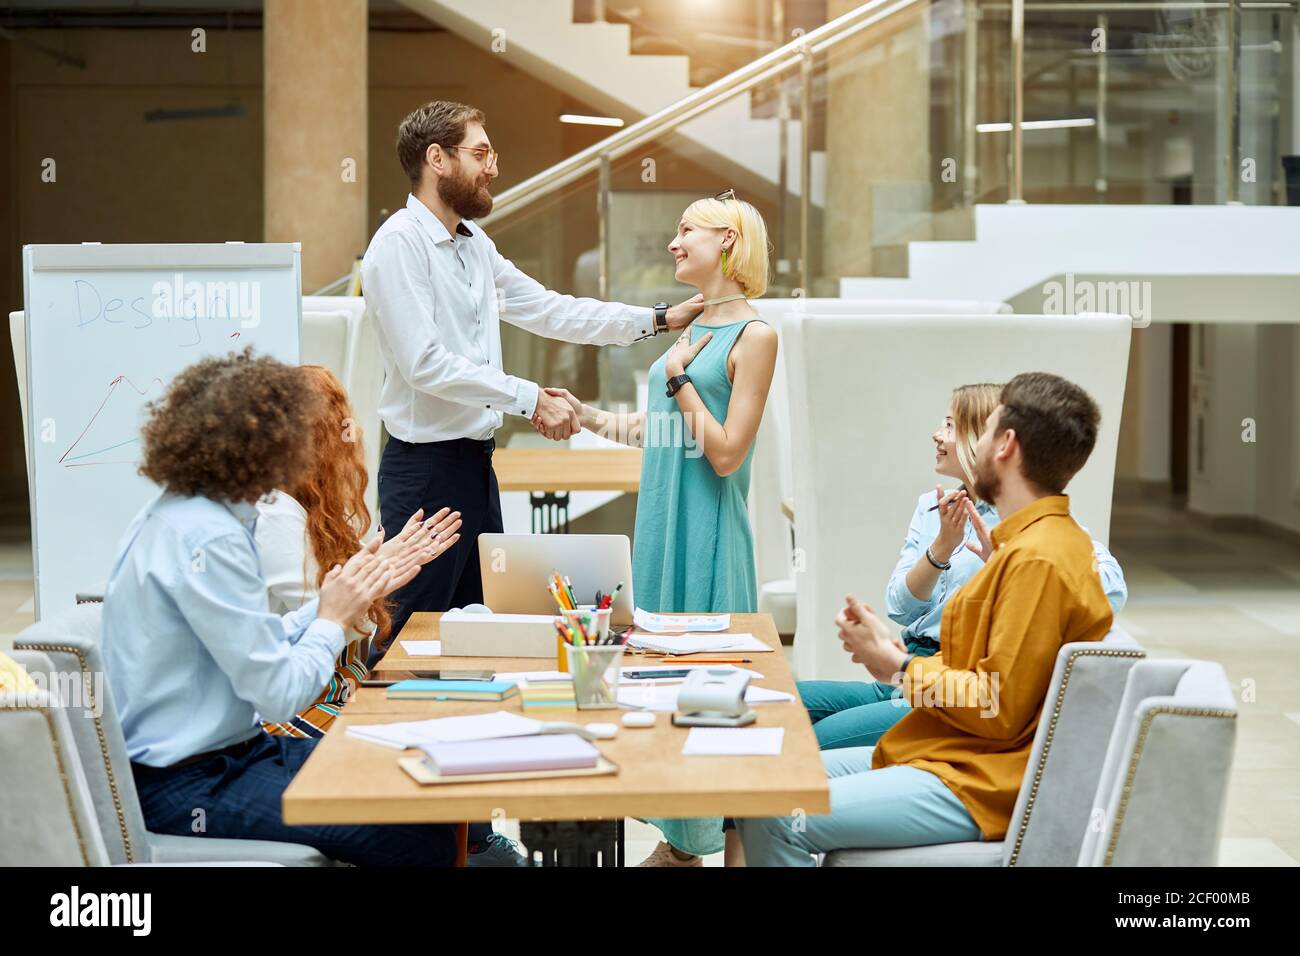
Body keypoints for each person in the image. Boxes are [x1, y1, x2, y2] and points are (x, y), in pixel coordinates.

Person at [360, 100, 705, 646]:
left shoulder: (475, 247)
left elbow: (549, 309)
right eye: (480, 153)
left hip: (476, 469)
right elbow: (424, 363)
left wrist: (659, 319)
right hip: (423, 477)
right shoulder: (397, 245)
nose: (494, 167)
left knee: (479, 639)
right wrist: (528, 398)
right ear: (437, 159)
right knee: (409, 642)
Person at [736, 372, 1115, 865]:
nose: (960, 443)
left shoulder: (1038, 559)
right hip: (954, 748)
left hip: (979, 775)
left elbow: (994, 707)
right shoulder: (1022, 545)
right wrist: (895, 661)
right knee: (764, 776)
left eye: (981, 431)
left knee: (779, 809)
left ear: (1005, 445)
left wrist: (898, 666)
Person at [102, 349, 458, 866]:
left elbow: (251, 638)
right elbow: (278, 695)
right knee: (417, 833)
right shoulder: (213, 538)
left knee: (415, 779)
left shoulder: (186, 516)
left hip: (230, 757)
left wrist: (339, 600)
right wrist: (332, 620)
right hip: (190, 785)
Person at [549, 191, 778, 866]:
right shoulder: (690, 330)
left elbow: (728, 450)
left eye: (688, 232)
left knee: (709, 697)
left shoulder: (755, 336)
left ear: (728, 243)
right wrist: (588, 416)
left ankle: (689, 851)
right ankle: (699, 846)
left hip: (706, 536)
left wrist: (679, 381)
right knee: (666, 688)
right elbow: (666, 433)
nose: (674, 243)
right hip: (662, 530)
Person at [796, 383, 1128, 751]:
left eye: (952, 425)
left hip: (942, 683)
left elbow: (1107, 590)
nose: (937, 435)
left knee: (811, 743)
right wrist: (942, 548)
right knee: (776, 702)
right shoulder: (934, 507)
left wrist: (1005, 562)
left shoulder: (1031, 526)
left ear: (999, 442)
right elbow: (901, 608)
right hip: (915, 668)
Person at [255, 365, 462, 739]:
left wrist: (379, 564)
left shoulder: (311, 514)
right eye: (339, 426)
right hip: (293, 712)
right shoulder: (275, 516)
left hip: (328, 695)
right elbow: (333, 625)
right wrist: (380, 572)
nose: (350, 437)